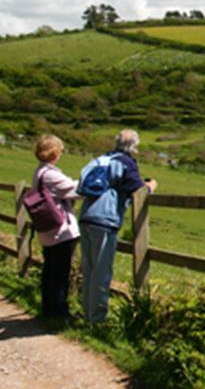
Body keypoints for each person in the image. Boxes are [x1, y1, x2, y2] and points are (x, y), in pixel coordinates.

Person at [78, 129, 157, 323]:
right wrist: (151, 187)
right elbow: (137, 191)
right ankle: (96, 320)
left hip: (86, 215)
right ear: (134, 146)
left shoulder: (102, 159)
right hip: (105, 219)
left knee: (88, 268)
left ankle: (87, 313)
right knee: (102, 272)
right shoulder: (126, 163)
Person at [31, 135, 81, 319]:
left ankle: (49, 309)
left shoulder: (40, 172)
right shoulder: (50, 174)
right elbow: (74, 190)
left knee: (50, 270)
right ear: (54, 152)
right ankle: (60, 312)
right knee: (60, 273)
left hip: (48, 230)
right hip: (59, 231)